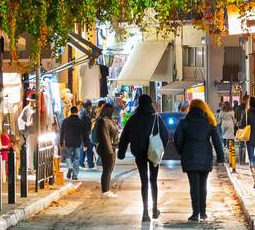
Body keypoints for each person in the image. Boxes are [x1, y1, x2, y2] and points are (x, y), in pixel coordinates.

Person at [117, 92, 170, 222]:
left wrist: (121, 153)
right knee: (153, 180)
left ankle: (145, 212)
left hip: (139, 153)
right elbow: (166, 135)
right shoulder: (157, 118)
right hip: (153, 153)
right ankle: (155, 209)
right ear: (150, 103)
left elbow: (124, 137)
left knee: (144, 182)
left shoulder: (133, 119)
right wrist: (161, 148)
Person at [174, 98, 225, 221]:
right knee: (203, 186)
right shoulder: (209, 122)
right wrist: (220, 158)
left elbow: (177, 139)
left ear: (190, 108)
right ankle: (203, 212)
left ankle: (195, 212)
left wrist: (182, 151)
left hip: (190, 156)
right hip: (205, 157)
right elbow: (217, 141)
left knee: (194, 186)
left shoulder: (184, 122)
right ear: (204, 108)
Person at [93, 102, 121, 197]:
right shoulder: (104, 121)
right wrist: (109, 152)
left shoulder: (108, 120)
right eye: (113, 111)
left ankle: (106, 190)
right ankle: (105, 191)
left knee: (109, 170)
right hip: (106, 149)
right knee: (107, 170)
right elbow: (105, 137)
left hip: (110, 148)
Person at [59, 104, 86, 180]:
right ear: (77, 112)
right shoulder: (80, 122)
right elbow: (84, 134)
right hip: (77, 143)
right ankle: (75, 175)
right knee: (76, 158)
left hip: (68, 142)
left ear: (70, 112)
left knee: (68, 156)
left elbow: (62, 132)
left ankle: (70, 167)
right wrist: (85, 144)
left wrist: (61, 142)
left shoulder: (65, 121)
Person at [216, 100, 237, 168]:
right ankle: (230, 148)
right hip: (230, 124)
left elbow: (219, 117)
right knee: (231, 137)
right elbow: (234, 119)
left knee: (224, 136)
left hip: (224, 124)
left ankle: (225, 146)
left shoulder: (222, 111)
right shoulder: (231, 111)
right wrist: (235, 123)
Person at [80, 102, 96, 169]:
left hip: (83, 134)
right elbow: (86, 125)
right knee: (88, 149)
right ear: (88, 106)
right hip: (86, 134)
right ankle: (89, 164)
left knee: (84, 149)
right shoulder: (85, 114)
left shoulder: (82, 113)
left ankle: (82, 164)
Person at [232, 100, 247, 167]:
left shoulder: (237, 109)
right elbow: (243, 120)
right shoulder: (243, 112)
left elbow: (235, 117)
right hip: (244, 128)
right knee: (243, 144)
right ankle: (242, 160)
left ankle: (241, 160)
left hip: (239, 127)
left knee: (241, 144)